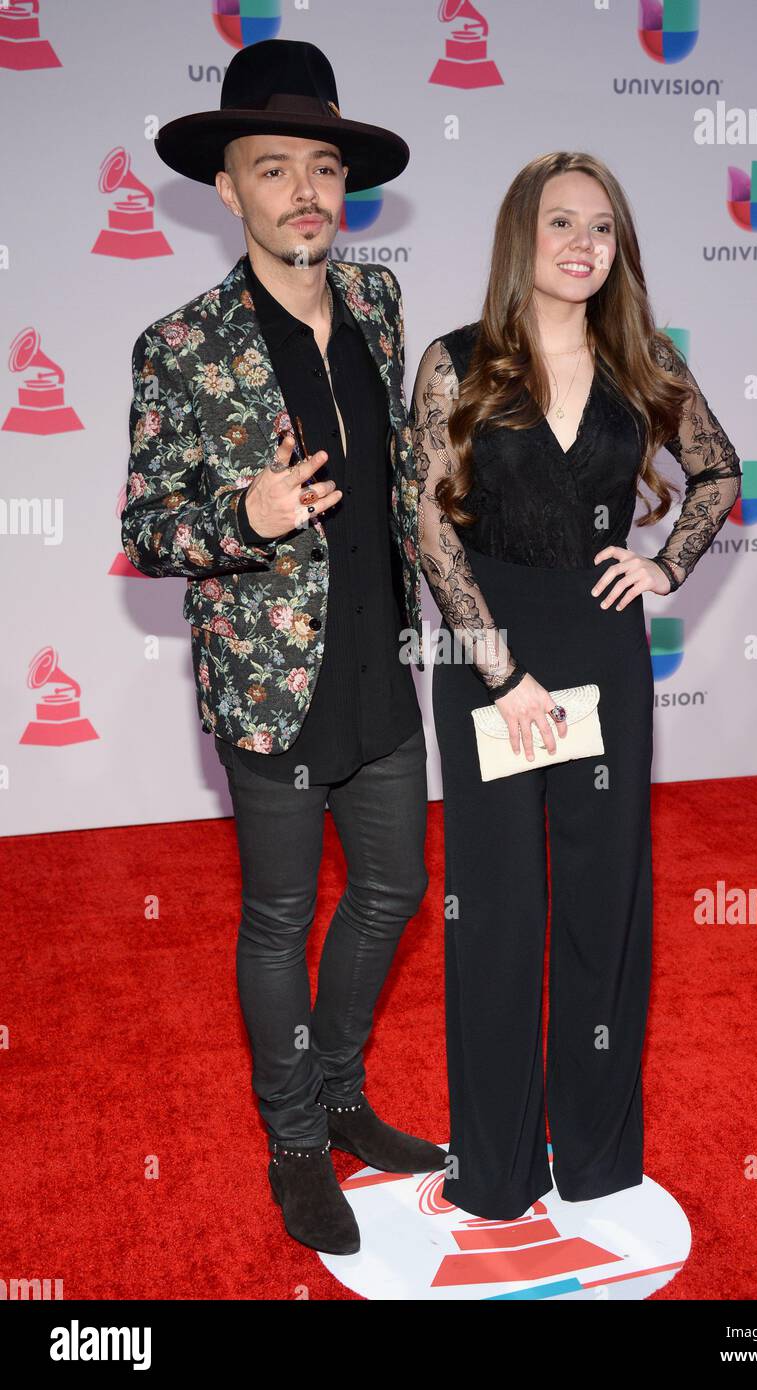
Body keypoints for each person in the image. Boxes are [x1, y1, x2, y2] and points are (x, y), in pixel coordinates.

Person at [122, 40, 444, 1257]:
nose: (304, 190)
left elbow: (406, 470)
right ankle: (296, 1137)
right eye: (274, 169)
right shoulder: (180, 345)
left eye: (322, 167)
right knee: (277, 915)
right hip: (267, 685)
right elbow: (148, 528)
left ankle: (345, 1088)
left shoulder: (375, 300)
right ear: (229, 189)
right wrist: (239, 520)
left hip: (378, 661)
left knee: (394, 887)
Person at [410, 151, 742, 1221]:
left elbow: (720, 471)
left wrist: (666, 561)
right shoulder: (454, 363)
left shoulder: (640, 363)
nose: (580, 244)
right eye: (560, 223)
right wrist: (499, 670)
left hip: (601, 646)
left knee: (605, 905)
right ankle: (496, 1170)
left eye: (600, 227)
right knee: (495, 911)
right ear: (521, 236)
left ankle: (595, 1155)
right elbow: (427, 526)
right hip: (489, 658)